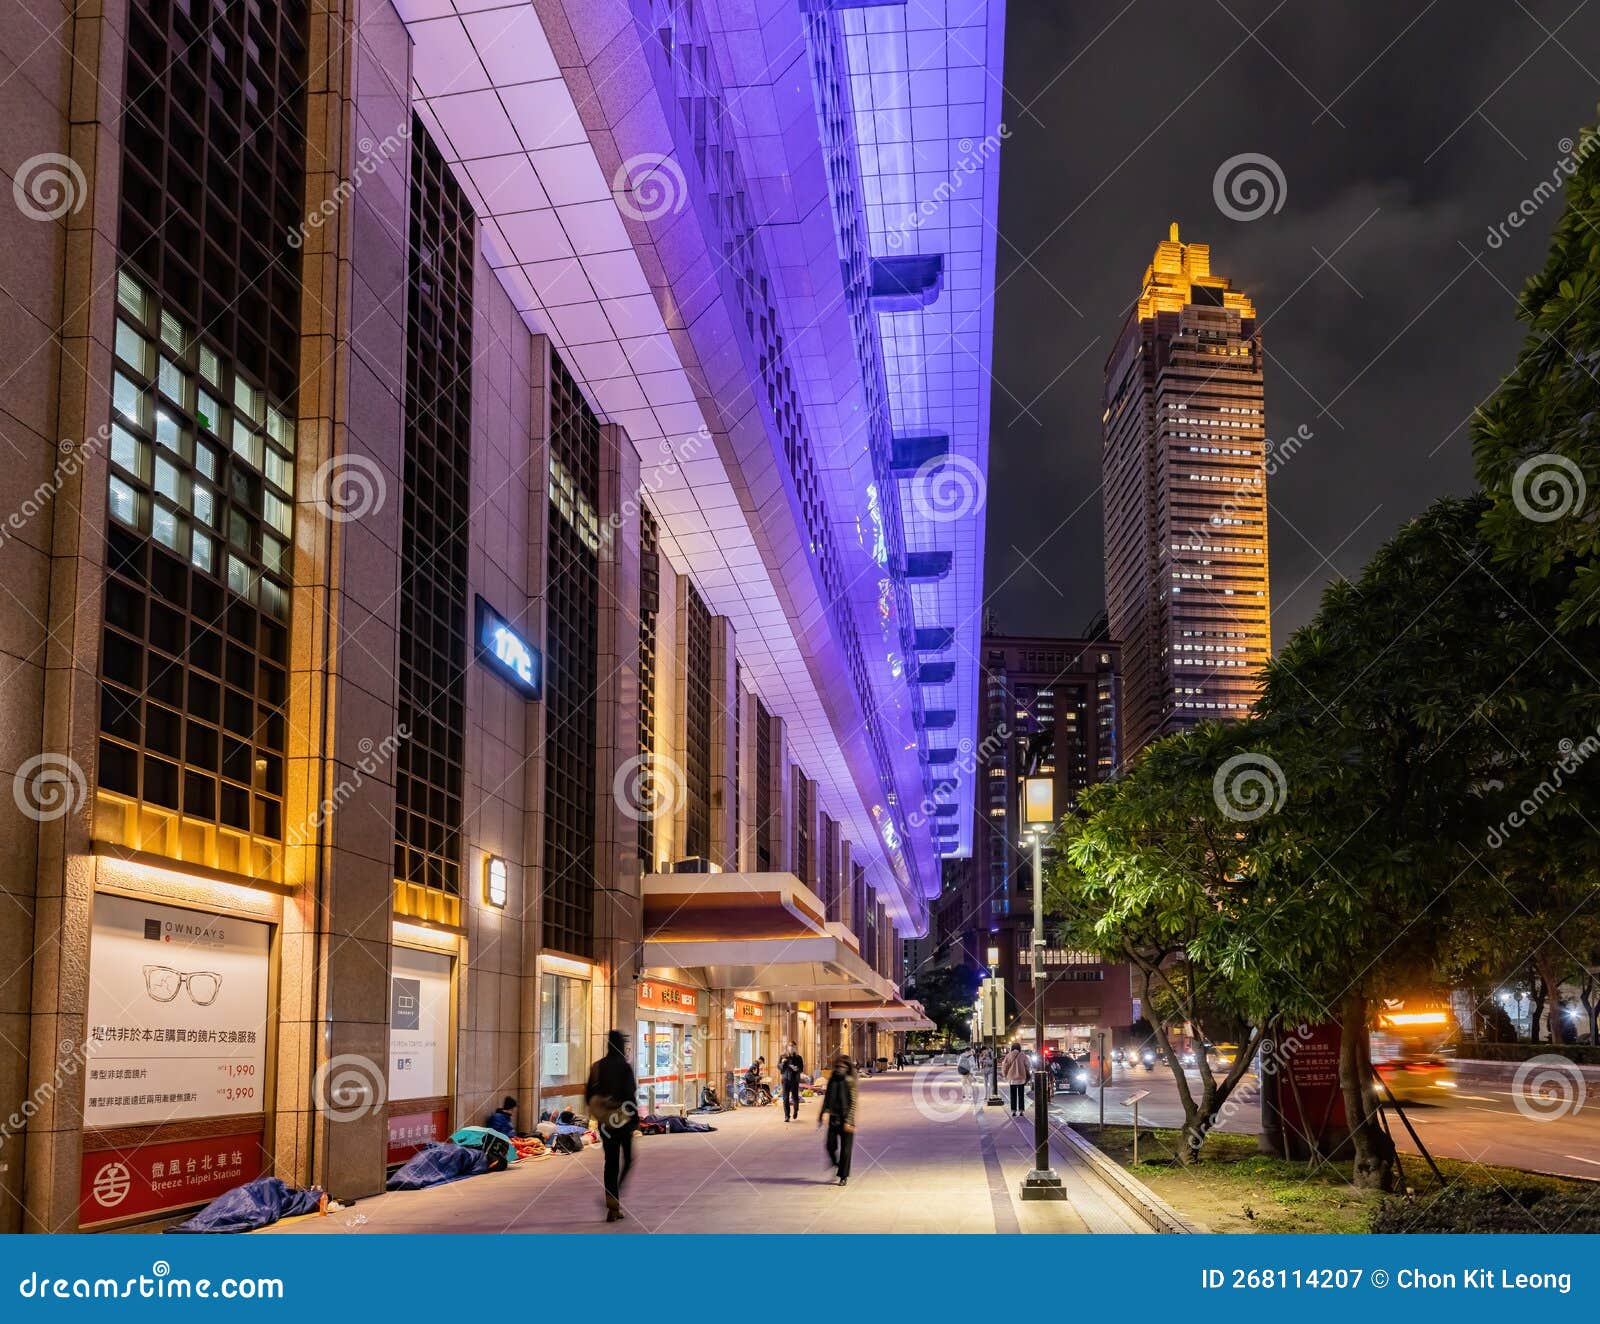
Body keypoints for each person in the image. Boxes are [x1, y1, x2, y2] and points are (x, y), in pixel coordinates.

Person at [585, 1028, 640, 1222]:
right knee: (629, 1159)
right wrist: (635, 1120)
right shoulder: (624, 1067)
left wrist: (601, 1111)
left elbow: (588, 1096)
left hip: (606, 1123)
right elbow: (630, 1096)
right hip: (622, 1122)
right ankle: (614, 1201)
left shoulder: (597, 1066)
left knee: (610, 1162)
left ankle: (612, 1203)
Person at [818, 1054, 858, 1186]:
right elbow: (827, 1098)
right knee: (830, 1145)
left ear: (847, 1067)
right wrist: (822, 1113)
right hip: (834, 1118)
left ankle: (843, 1176)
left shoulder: (850, 1080)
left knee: (846, 1150)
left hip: (846, 1118)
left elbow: (853, 1102)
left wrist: (849, 1121)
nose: (840, 1068)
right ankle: (836, 1163)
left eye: (843, 1066)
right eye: (838, 1066)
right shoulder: (832, 1079)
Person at [1000, 1042, 1030, 1117]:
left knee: (1013, 1095)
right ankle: (1021, 1111)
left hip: (1012, 1078)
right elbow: (1028, 1065)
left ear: (1012, 1048)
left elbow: (1005, 1066)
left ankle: (1013, 1110)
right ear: (1019, 1048)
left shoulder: (1008, 1055)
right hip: (1021, 1078)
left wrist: (1004, 1074)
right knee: (1021, 1095)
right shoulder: (1023, 1055)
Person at [778, 1043, 805, 1121]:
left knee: (795, 1097)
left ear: (795, 1048)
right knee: (785, 1098)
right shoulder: (783, 1056)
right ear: (787, 1047)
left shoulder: (798, 1058)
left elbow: (801, 1068)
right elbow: (778, 1066)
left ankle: (796, 1110)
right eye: (790, 1047)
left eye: (793, 1047)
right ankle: (787, 1116)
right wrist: (782, 1063)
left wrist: (797, 1069)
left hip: (794, 1080)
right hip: (785, 1080)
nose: (791, 1048)